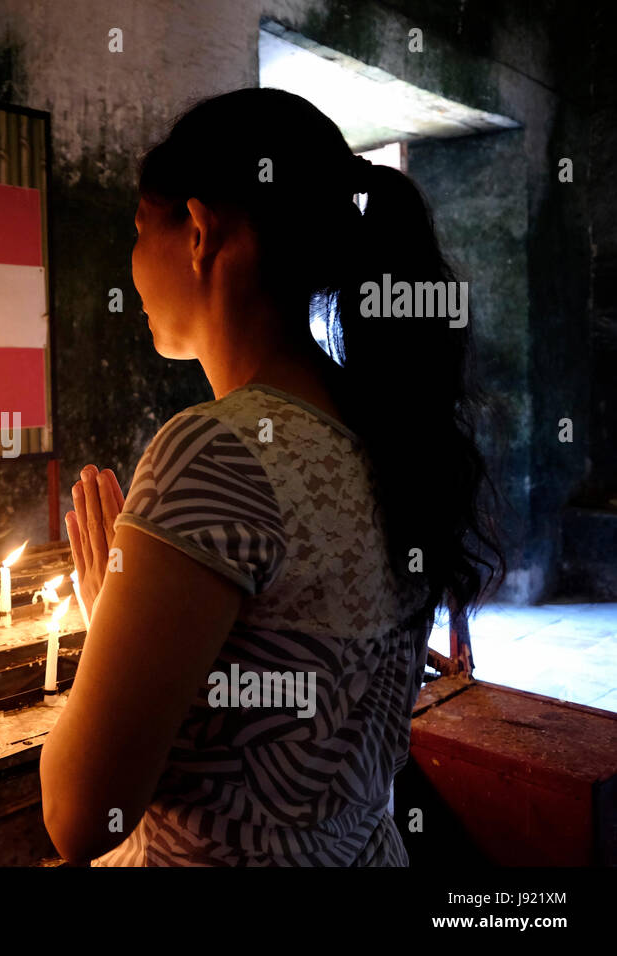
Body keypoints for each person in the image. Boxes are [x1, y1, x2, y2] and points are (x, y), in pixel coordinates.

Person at [41, 88, 502, 866]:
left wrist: (104, 642)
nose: (130, 264)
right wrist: (131, 620)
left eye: (134, 231)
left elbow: (83, 817)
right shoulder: (386, 432)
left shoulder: (214, 453)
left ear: (196, 232)